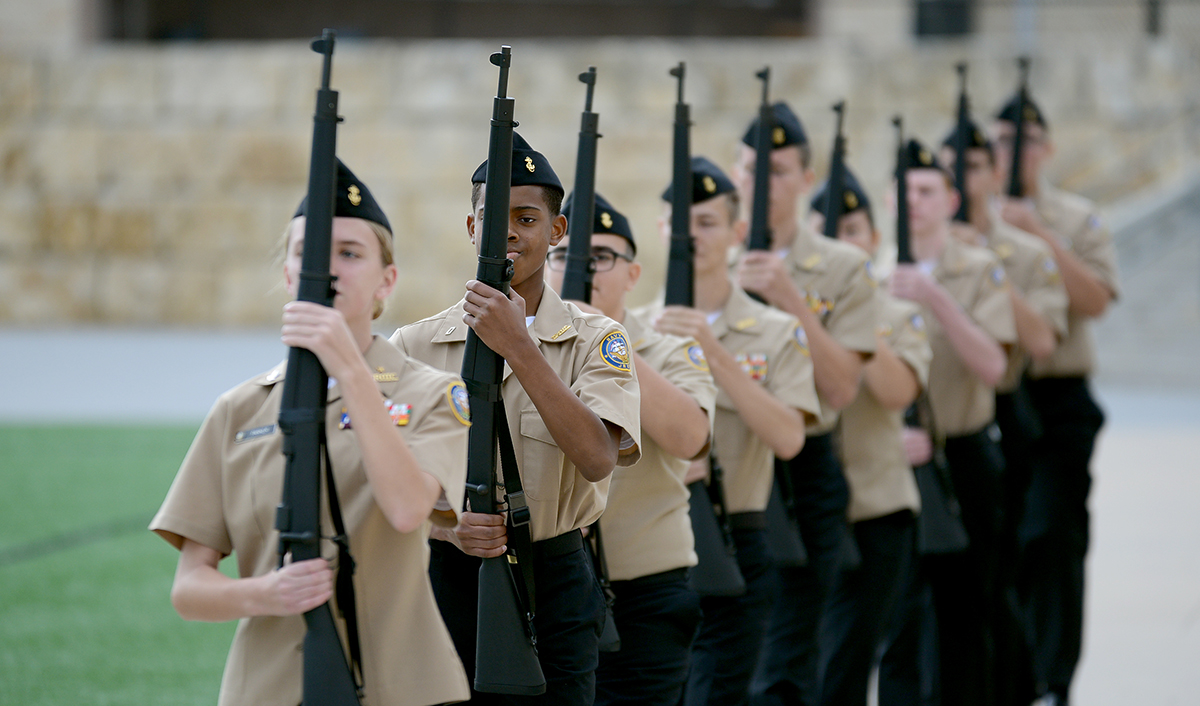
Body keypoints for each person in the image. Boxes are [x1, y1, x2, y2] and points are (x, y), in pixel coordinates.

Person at [149, 161, 472, 706]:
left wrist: (351, 370)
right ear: (288, 274)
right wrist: (265, 593)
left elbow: (407, 509)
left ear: (384, 282)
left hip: (400, 685)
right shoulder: (239, 409)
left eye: (349, 253)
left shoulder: (434, 395)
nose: (327, 269)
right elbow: (189, 589)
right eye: (307, 253)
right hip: (268, 686)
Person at [390, 133, 642, 705]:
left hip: (553, 577)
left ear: (555, 234)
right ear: (472, 226)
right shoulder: (415, 345)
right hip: (448, 576)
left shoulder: (594, 339)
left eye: (527, 218)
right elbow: (378, 476)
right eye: (493, 216)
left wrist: (520, 348)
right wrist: (445, 526)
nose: (507, 231)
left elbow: (599, 458)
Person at [642, 156, 820, 706]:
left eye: (708, 222)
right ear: (660, 229)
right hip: (652, 547)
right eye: (680, 222)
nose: (691, 236)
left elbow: (790, 437)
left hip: (737, 535)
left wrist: (712, 353)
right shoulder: (630, 331)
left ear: (739, 232)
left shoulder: (774, 329)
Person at [730, 101, 880, 706]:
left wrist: (787, 293)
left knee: (789, 662)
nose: (759, 184)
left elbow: (843, 386)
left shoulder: (844, 267)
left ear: (806, 180)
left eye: (778, 171)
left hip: (803, 472)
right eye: (748, 169)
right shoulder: (712, 252)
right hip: (731, 469)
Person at [547, 191, 716, 706]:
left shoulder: (667, 349)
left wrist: (607, 342)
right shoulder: (522, 350)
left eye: (600, 257)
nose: (583, 269)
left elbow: (691, 437)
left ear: (633, 274)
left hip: (642, 591)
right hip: (552, 589)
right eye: (564, 256)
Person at [992, 94, 1120, 706]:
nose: (1011, 153)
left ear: (1047, 148)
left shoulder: (1076, 217)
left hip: (1057, 395)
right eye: (996, 142)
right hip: (994, 397)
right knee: (1003, 539)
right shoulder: (967, 221)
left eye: (1023, 141)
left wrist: (1038, 236)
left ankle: (1053, 678)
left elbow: (1096, 299)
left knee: (1053, 536)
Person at [939, 120, 1069, 706]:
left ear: (993, 173)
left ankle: (1023, 685)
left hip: (1005, 415)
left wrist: (985, 267)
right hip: (939, 422)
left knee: (1000, 569)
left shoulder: (1023, 252)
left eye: (971, 166)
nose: (959, 179)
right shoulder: (923, 246)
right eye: (948, 167)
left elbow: (1041, 341)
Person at [887, 139, 1016, 706]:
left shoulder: (979, 269)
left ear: (951, 199)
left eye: (927, 190)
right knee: (897, 621)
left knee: (966, 612)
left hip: (963, 457)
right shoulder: (870, 269)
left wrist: (935, 296)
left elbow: (993, 365)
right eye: (905, 190)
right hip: (892, 459)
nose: (914, 201)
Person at [806, 170, 931, 706]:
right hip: (806, 513)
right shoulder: (787, 311)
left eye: (852, 230)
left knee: (846, 666)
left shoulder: (897, 316)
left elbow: (897, 388)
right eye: (826, 233)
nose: (840, 242)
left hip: (875, 510)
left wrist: (853, 318)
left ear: (874, 240)